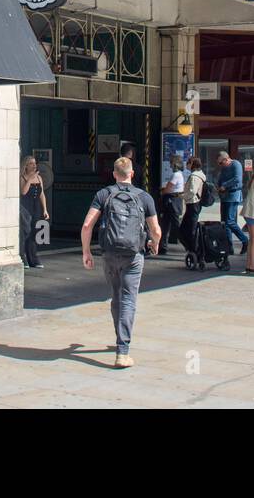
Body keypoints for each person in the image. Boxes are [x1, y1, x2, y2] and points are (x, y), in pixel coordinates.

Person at [81, 156, 160, 369]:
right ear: (132, 174)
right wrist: (155, 243)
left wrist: (86, 251)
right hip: (134, 255)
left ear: (114, 174)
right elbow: (156, 230)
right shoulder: (144, 197)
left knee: (116, 297)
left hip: (109, 253)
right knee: (129, 300)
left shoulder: (104, 194)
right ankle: (122, 351)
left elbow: (87, 225)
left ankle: (119, 338)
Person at [215, 150, 248, 255]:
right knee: (224, 223)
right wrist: (218, 185)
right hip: (224, 196)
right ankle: (229, 247)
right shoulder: (224, 168)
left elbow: (237, 179)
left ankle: (244, 240)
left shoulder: (236, 164)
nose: (220, 165)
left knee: (230, 221)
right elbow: (220, 178)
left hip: (233, 195)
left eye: (221, 163)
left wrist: (225, 185)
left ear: (226, 159)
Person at [19, 155, 49, 269]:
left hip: (36, 207)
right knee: (25, 232)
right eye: (31, 163)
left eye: (35, 163)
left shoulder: (39, 178)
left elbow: (42, 194)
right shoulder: (22, 177)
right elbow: (23, 192)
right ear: (26, 166)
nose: (34, 165)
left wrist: (45, 209)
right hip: (25, 207)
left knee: (34, 232)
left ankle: (33, 259)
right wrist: (30, 179)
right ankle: (23, 257)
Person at [157, 155, 185, 255]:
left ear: (175, 164)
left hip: (171, 201)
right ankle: (162, 247)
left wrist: (162, 191)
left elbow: (168, 189)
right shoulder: (180, 174)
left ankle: (187, 244)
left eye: (171, 163)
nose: (170, 165)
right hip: (175, 201)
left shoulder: (176, 175)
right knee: (167, 224)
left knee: (170, 225)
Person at [179, 157, 207, 254]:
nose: (186, 164)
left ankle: (193, 249)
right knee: (189, 228)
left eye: (188, 162)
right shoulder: (200, 175)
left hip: (193, 204)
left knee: (188, 229)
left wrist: (181, 196)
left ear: (192, 164)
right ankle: (192, 248)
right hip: (195, 204)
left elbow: (192, 191)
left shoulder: (195, 176)